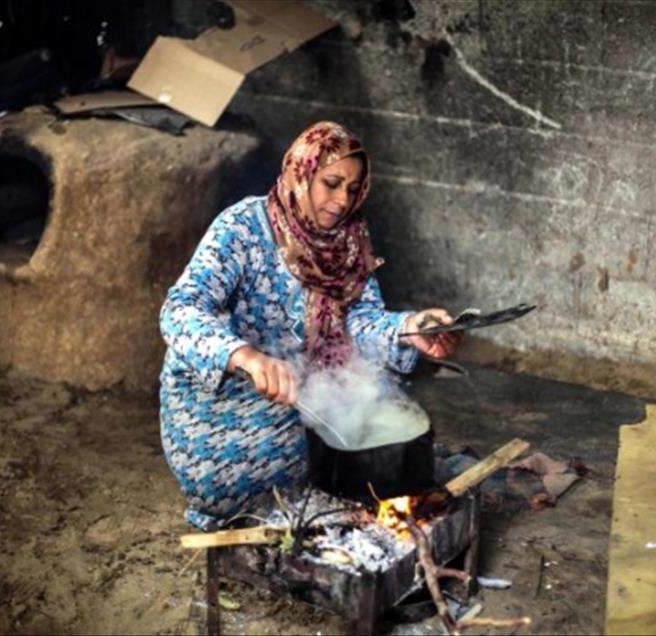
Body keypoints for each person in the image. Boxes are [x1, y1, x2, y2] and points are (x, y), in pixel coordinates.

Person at [159, 121, 461, 530]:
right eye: (331, 183)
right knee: (250, 469)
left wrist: (409, 328)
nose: (342, 201)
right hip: (223, 397)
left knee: (382, 406)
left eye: (353, 189)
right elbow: (179, 309)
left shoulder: (349, 241)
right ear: (302, 173)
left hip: (303, 386)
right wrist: (244, 357)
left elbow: (360, 322)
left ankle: (322, 497)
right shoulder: (242, 227)